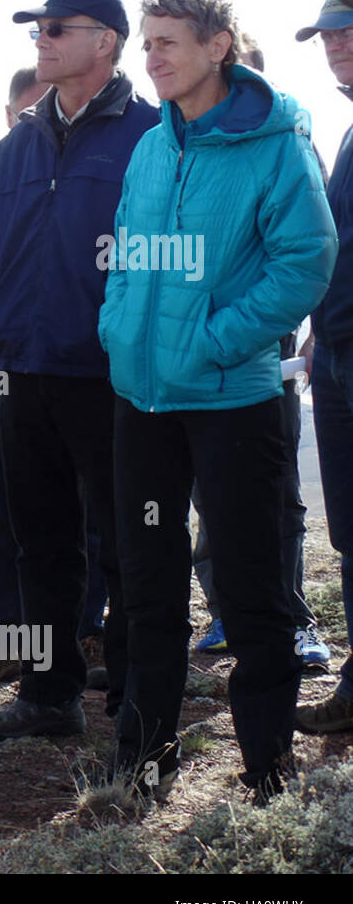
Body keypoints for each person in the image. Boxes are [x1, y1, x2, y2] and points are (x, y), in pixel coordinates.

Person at [98, 0, 335, 800]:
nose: (151, 56)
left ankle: (267, 766)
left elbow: (303, 262)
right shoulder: (153, 146)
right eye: (147, 41)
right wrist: (118, 327)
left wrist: (212, 340)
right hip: (143, 400)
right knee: (147, 582)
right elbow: (127, 251)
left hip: (233, 401)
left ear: (219, 45)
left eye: (167, 41)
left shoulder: (276, 141)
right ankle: (141, 759)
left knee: (249, 584)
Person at [0, 0, 159, 742]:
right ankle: (48, 697)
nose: (39, 41)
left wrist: (120, 328)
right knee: (40, 541)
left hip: (112, 375)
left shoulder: (152, 136)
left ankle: (139, 704)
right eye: (35, 30)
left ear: (106, 41)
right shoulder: (18, 143)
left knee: (128, 539)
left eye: (55, 29)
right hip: (25, 373)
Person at [0, 67, 109, 688]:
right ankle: (7, 637)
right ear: (10, 116)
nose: (43, 120)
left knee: (87, 511)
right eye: (30, 111)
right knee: (3, 508)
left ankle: (85, 635)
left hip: (84, 368)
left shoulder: (101, 166)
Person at [188, 34, 329, 667]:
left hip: (270, 356)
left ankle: (293, 618)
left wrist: (314, 328)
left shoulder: (292, 150)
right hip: (191, 359)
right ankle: (223, 615)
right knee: (208, 495)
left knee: (280, 494)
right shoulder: (176, 150)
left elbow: (322, 253)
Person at [296, 0, 353, 733]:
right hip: (336, 355)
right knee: (349, 532)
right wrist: (320, 329)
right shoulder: (346, 136)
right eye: (327, 37)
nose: (335, 45)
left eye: (347, 31)